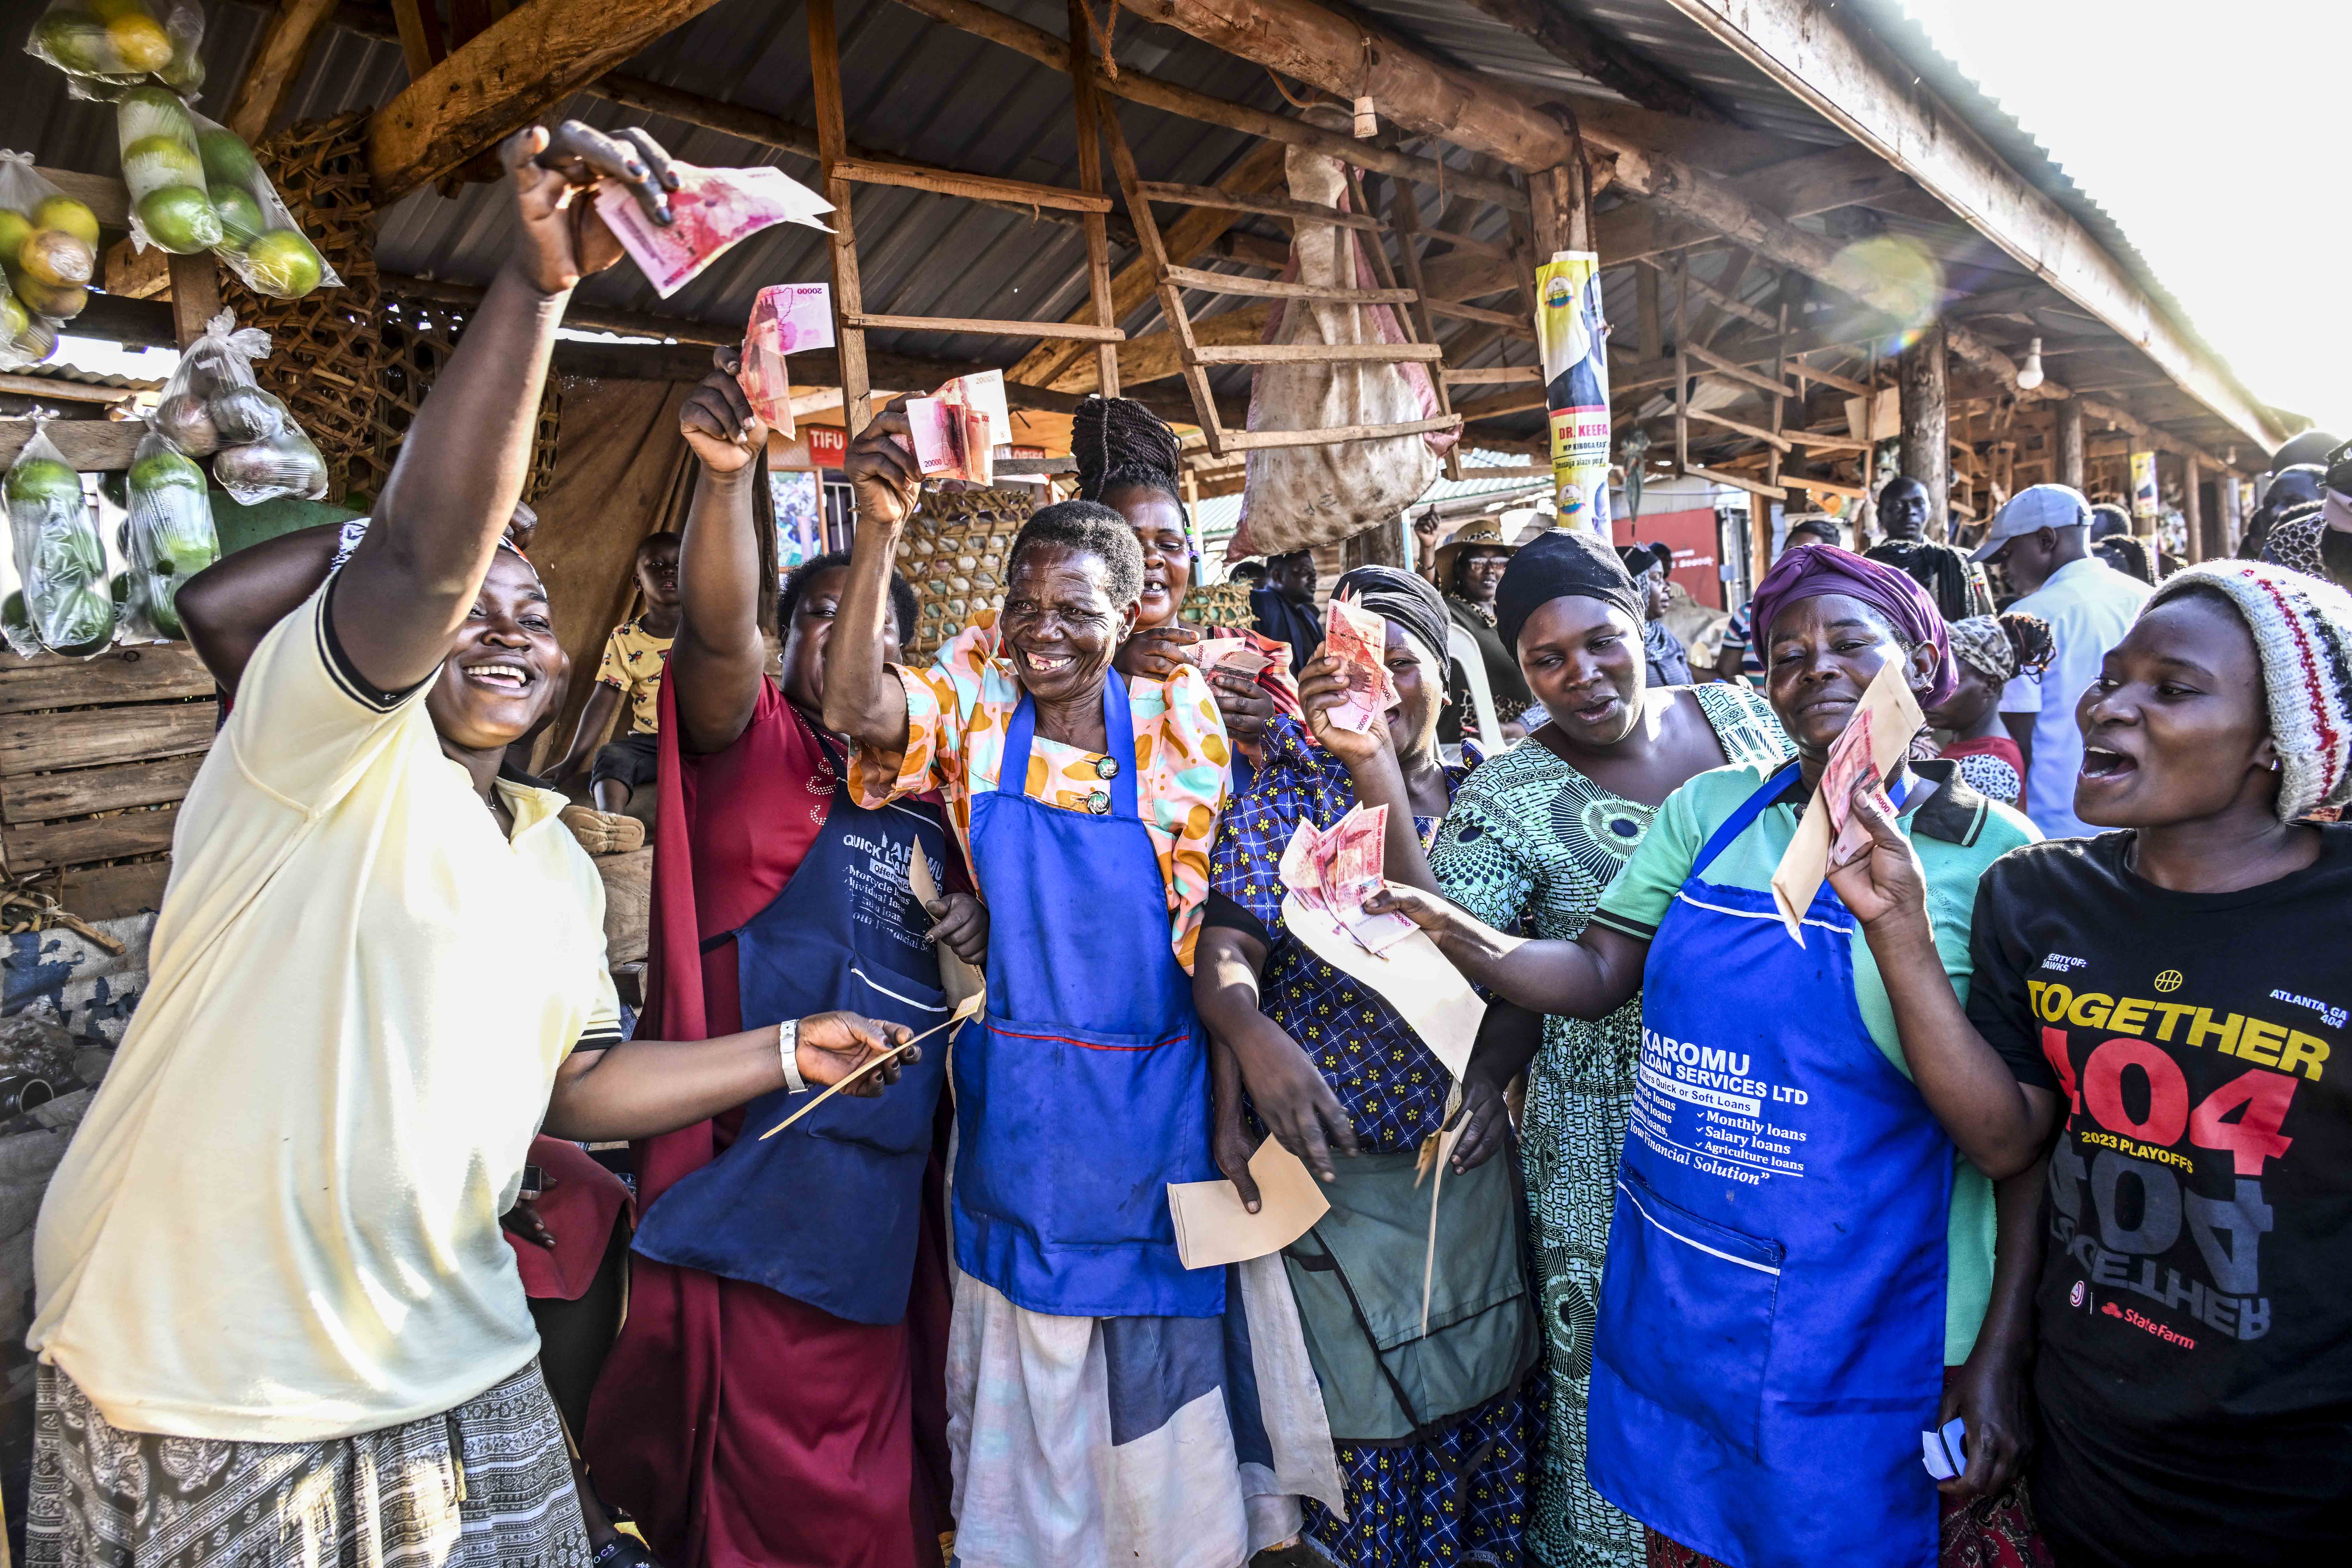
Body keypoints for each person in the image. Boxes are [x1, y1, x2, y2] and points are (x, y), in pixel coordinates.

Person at [24, 123, 916, 1568]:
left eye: (534, 611)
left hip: (449, 1346)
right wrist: (537, 282)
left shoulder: (557, 857)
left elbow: (572, 1080)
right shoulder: (315, 751)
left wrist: (781, 1049)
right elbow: (421, 557)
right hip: (216, 1370)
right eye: (471, 612)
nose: (508, 628)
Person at [1368, 545, 2047, 1568]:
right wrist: (1444, 922)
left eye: (1848, 643)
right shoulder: (1710, 812)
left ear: (1917, 654)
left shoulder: (1991, 855)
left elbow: (2020, 1149)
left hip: (1876, 1320)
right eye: (1785, 653)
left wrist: (1999, 1352)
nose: (1814, 668)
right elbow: (1598, 973)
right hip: (1692, 1293)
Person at [824, 408, 1326, 1567]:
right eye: (1026, 608)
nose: (1044, 635)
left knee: (1160, 1428)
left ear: (1133, 613)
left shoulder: (1186, 712)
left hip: (1157, 1115)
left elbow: (1213, 919)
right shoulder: (973, 691)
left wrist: (1232, 1100)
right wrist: (880, 540)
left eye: (1078, 614)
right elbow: (859, 709)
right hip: (1024, 1118)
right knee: (1032, 1407)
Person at [1823, 559, 2352, 1566]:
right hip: (2094, 1438)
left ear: (2275, 741)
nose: (2109, 708)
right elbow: (2012, 1140)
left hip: (2302, 1465)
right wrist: (1894, 925)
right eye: (2110, 678)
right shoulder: (2037, 897)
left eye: (2172, 688)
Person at [580, 353, 986, 1568]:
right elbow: (717, 633)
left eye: (864, 627)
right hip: (745, 1182)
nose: (835, 641)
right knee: (757, 1495)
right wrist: (727, 486)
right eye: (814, 619)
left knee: (879, 1494)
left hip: (875, 1205)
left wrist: (974, 931)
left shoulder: (937, 804)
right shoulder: (750, 750)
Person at [1425, 531, 1788, 1568]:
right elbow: (1476, 960)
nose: (1581, 673)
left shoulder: (1740, 715)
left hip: (1768, 1113)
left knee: (1748, 1352)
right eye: (1547, 660)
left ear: (1641, 626)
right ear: (1520, 672)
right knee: (1612, 1363)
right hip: (1601, 1137)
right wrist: (1488, 1082)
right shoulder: (1508, 795)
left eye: (1600, 641)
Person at [1194, 566, 1538, 1568]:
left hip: (1459, 1185)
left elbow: (1518, 979)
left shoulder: (1492, 795)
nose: (1376, 689)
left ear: (1446, 667)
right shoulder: (1284, 799)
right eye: (1350, 668)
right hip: (1331, 1192)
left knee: (1474, 1405)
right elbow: (1227, 954)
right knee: (1354, 1437)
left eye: (1401, 664)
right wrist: (1252, 1035)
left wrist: (1491, 1074)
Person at [1081, 395, 1299, 789]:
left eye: (1169, 545)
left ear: (1190, 554)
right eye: (1127, 544)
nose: (1151, 560)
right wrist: (1108, 671)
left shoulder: (1255, 659)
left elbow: (1319, 777)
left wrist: (1266, 731)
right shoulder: (1060, 661)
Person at [1973, 484, 2153, 840]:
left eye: (2007, 554)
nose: (2002, 570)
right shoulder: (2148, 600)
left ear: (2045, 539)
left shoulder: (2029, 615)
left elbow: (2016, 738)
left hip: (2056, 822)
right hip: (2142, 817)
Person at [552, 531, 681, 816]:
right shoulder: (625, 637)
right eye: (656, 565)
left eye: (679, 563)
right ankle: (611, 822)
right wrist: (573, 759)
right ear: (639, 582)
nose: (670, 570)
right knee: (612, 755)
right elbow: (603, 699)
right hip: (652, 744)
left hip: (704, 741)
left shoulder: (706, 629)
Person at [1931, 613, 2054, 811]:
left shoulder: (1985, 767)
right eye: (1931, 679)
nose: (1931, 693)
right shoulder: (1972, 749)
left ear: (1991, 685)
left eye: (1948, 683)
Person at [1436, 516, 1534, 744]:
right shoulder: (1448, 611)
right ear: (1460, 570)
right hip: (1466, 745)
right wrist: (1428, 549)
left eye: (1500, 563)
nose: (1490, 571)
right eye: (1478, 563)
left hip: (1522, 737)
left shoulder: (1512, 615)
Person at [1712, 516, 1841, 687]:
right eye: (1791, 551)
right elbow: (1725, 676)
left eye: (1811, 554)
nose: (1798, 560)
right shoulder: (1749, 614)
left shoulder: (1842, 611)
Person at [1870, 474, 1995, 620]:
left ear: (1930, 510)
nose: (1910, 511)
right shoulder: (1865, 566)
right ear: (1880, 515)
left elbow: (1986, 623)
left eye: (1918, 504)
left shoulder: (1962, 563)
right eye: (1898, 506)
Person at [1617, 541, 1692, 687]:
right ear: (1635, 584)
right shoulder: (1617, 645)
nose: (1667, 588)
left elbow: (1691, 689)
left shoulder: (1665, 637)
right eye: (1657, 579)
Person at [1252, 548, 1324, 677]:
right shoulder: (1259, 603)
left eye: (1314, 573)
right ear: (1278, 576)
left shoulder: (1308, 615)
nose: (1314, 578)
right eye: (1304, 571)